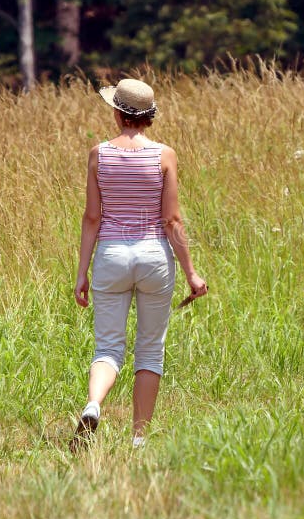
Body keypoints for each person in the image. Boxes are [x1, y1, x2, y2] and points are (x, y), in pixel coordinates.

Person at [71, 78, 207, 451]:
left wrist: (82, 272)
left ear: (117, 113)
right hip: (153, 258)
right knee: (149, 349)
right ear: (148, 117)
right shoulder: (164, 156)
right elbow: (172, 221)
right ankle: (139, 438)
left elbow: (92, 218)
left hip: (112, 257)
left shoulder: (98, 154)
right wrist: (192, 272)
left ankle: (94, 405)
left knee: (108, 348)